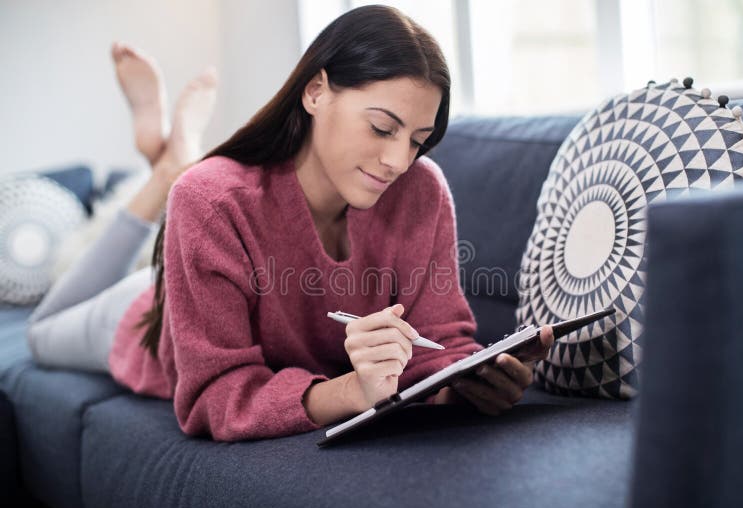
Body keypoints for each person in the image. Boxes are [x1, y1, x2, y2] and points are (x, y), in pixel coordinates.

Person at [27, 5, 554, 441]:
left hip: (198, 251)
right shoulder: (211, 200)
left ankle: (167, 162)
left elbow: (441, 339)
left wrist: (469, 380)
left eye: (417, 140)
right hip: (148, 316)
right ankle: (165, 170)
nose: (398, 160)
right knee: (42, 332)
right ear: (316, 91)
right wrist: (353, 391)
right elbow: (213, 396)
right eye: (381, 128)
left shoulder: (422, 189)